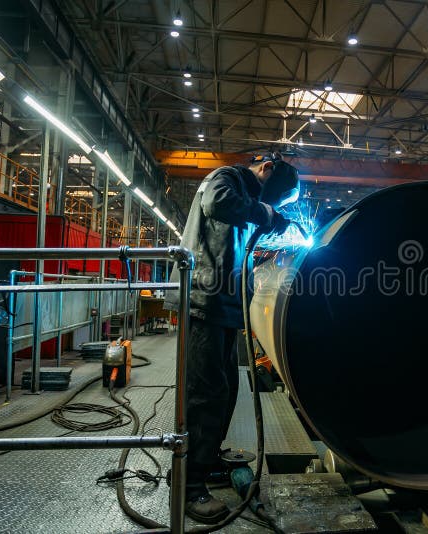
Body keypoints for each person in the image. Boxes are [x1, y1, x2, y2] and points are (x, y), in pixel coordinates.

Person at [165, 153, 299, 523]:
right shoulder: (226, 180)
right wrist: (267, 215)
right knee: (204, 395)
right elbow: (216, 203)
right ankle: (188, 487)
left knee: (224, 393)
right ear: (266, 171)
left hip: (223, 305)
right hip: (204, 301)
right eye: (274, 199)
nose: (270, 207)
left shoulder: (246, 199)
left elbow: (232, 242)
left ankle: (202, 465)